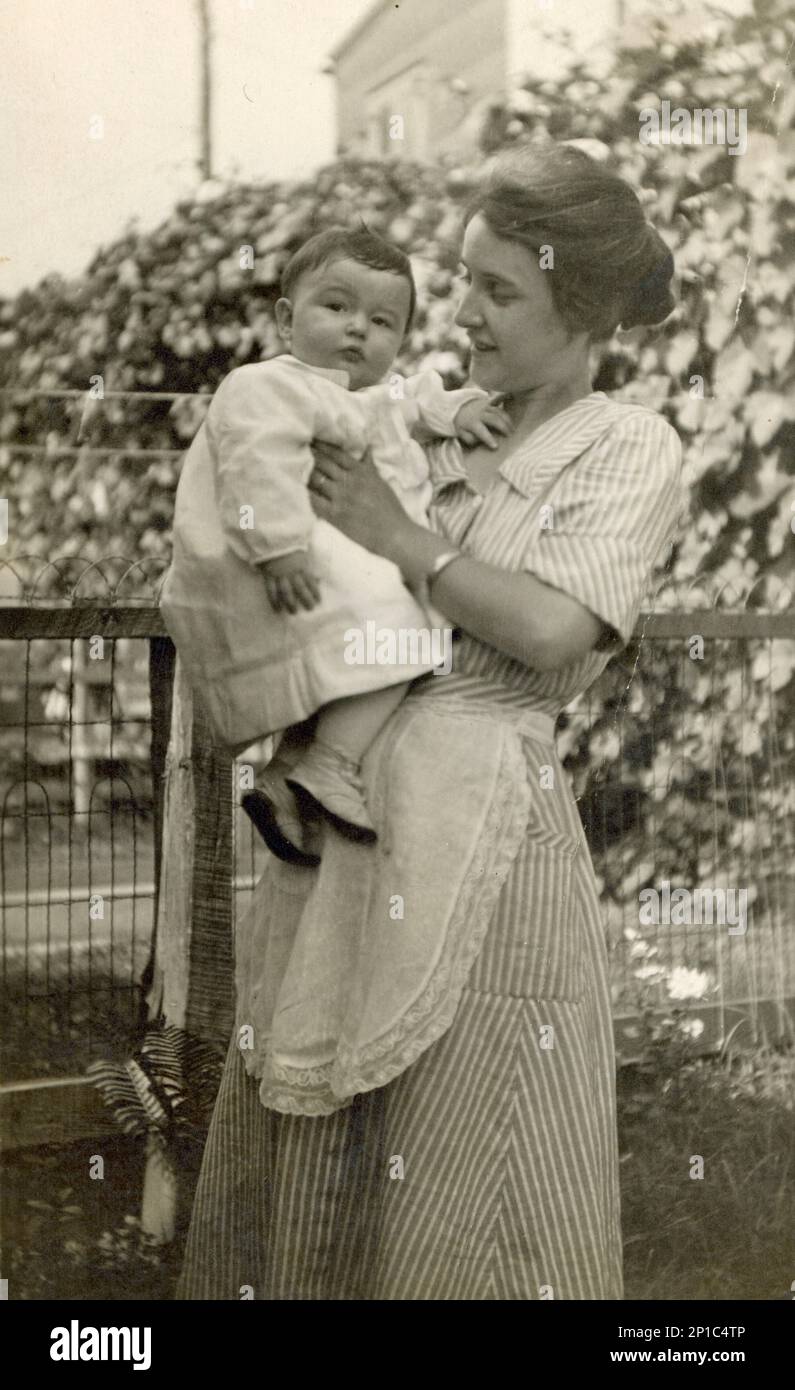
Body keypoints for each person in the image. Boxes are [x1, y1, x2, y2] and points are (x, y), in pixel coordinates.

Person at [175, 142, 684, 1300]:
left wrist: (402, 535)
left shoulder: (623, 445)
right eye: (462, 281)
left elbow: (555, 631)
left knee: (475, 1155)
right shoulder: (427, 424)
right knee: (319, 1147)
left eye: (498, 290)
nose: (460, 313)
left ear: (587, 307)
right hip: (341, 822)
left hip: (487, 838)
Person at [160, 227, 508, 861]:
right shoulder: (267, 385)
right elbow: (255, 465)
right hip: (267, 562)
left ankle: (287, 777)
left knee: (349, 661)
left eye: (381, 321)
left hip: (297, 565)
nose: (357, 330)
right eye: (337, 307)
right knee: (413, 632)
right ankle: (331, 764)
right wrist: (280, 545)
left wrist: (453, 413)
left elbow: (402, 405)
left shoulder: (348, 397)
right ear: (287, 319)